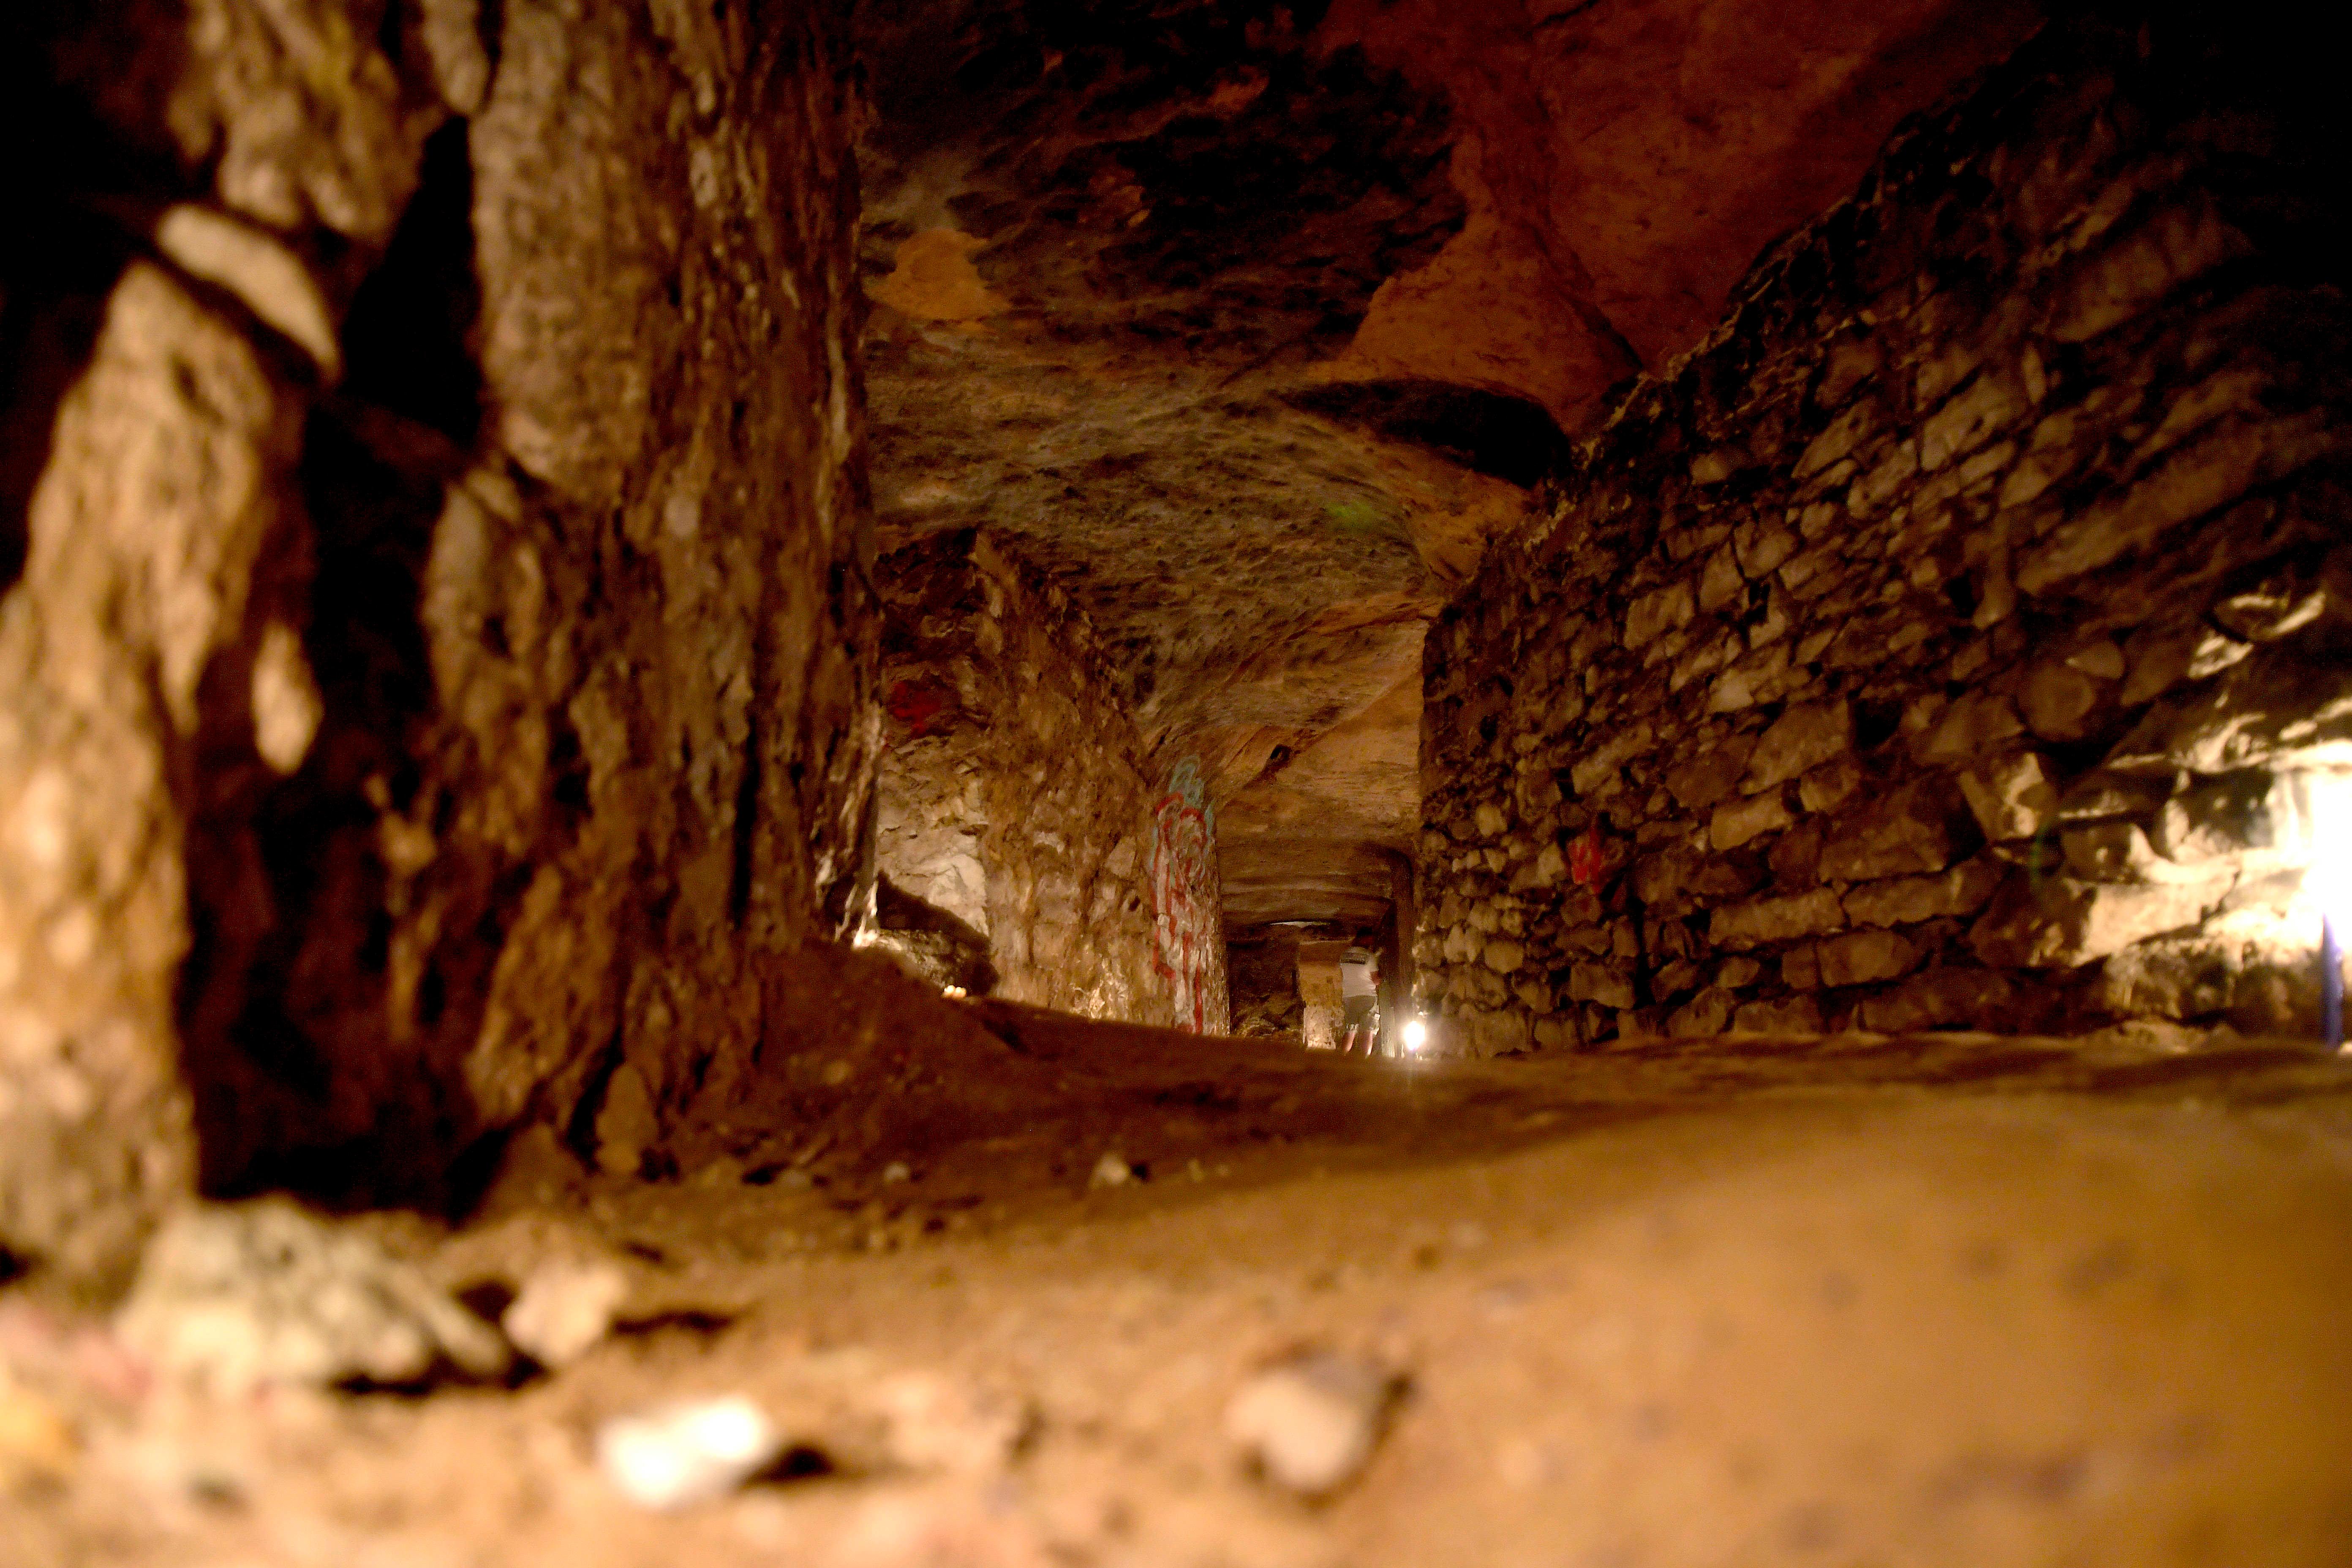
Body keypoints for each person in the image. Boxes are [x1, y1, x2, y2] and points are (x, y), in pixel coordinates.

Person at [1339, 947, 1379, 1055]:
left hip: (1349, 996)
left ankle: (1341, 1058)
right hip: (1367, 997)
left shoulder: (1344, 955)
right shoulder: (1370, 956)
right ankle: (1364, 1061)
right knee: (1367, 1031)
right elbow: (1376, 981)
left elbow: (1343, 975)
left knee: (1350, 1029)